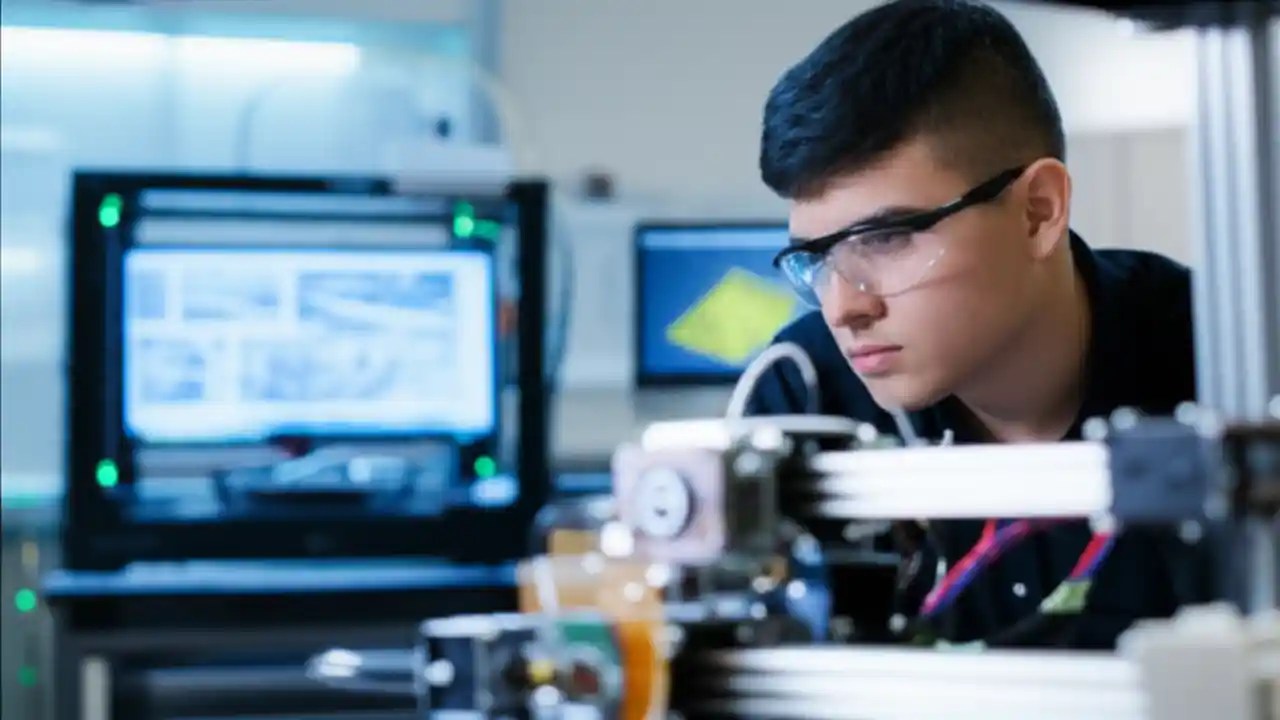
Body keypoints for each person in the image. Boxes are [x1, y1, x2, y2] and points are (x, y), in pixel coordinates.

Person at [747, 0, 1210, 648]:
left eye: (884, 237)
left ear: (1038, 212)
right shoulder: (804, 399)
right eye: (816, 258)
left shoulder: (1229, 362)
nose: (843, 307)